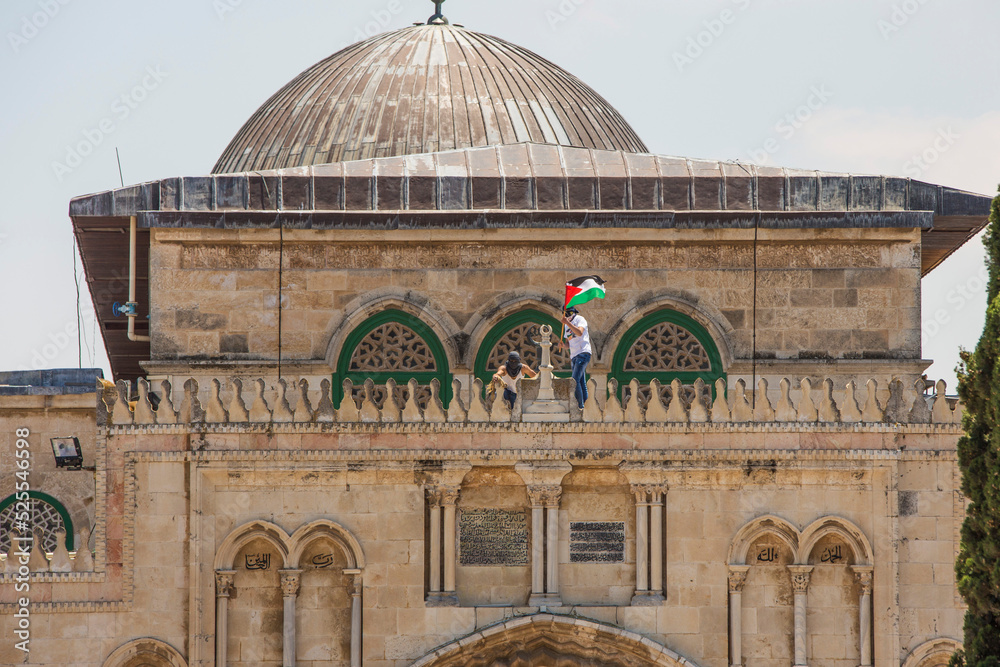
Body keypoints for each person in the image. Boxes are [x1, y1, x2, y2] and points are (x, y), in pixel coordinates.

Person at [560, 307, 592, 409]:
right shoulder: (565, 326)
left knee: (574, 380)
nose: (567, 315)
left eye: (568, 313)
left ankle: (580, 406)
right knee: (581, 381)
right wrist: (563, 346)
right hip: (574, 355)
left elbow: (579, 332)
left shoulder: (580, 319)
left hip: (583, 352)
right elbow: (568, 343)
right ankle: (586, 405)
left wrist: (567, 323)